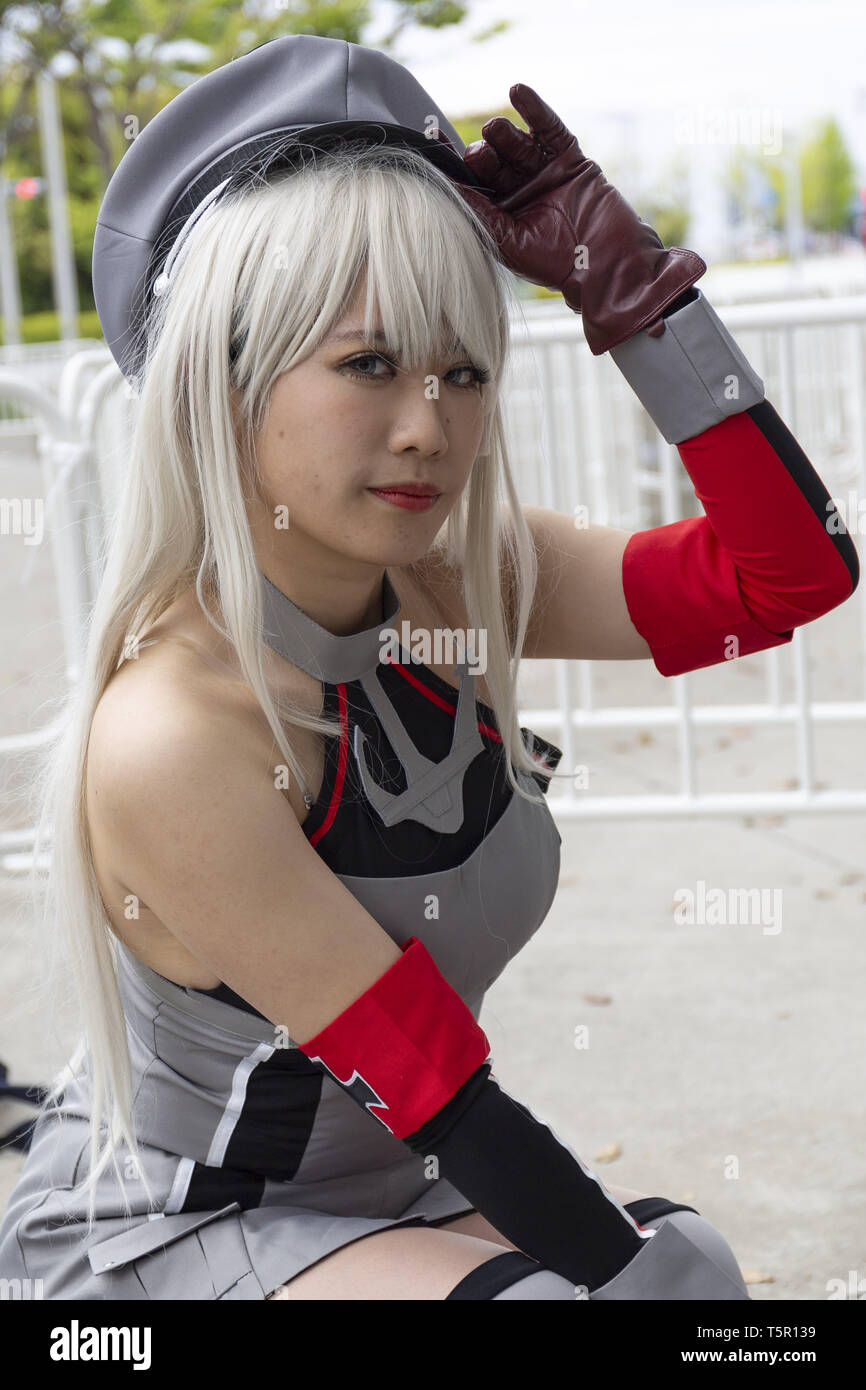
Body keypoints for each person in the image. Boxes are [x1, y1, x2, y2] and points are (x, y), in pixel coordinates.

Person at [0, 36, 857, 1302]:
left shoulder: (459, 580)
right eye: (367, 364)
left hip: (399, 1189)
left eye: (462, 370)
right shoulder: (174, 733)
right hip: (177, 1234)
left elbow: (783, 579)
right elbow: (440, 1090)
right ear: (218, 382)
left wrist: (634, 294)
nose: (429, 426)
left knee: (699, 1279)